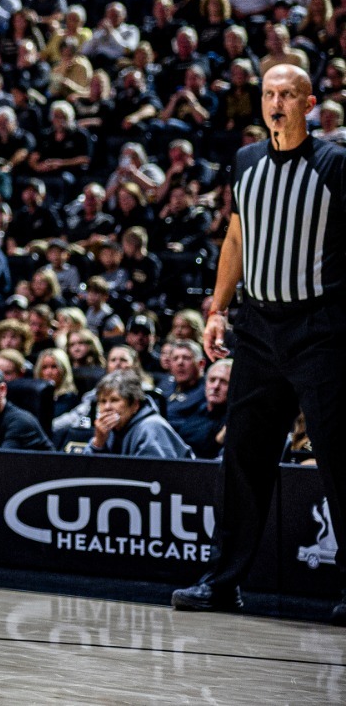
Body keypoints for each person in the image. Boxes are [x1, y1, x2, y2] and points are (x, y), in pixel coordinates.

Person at [175, 65, 346, 622]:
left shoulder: (335, 163)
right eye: (269, 94)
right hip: (258, 328)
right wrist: (218, 308)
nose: (276, 104)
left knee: (338, 459)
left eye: (287, 95)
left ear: (309, 103)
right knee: (243, 456)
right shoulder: (246, 162)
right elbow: (236, 235)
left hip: (319, 328)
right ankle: (223, 584)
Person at [87, 370, 192, 459]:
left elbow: (147, 478)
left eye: (114, 400)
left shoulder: (151, 428)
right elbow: (84, 470)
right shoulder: (106, 430)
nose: (107, 407)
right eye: (102, 401)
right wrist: (98, 444)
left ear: (134, 404)